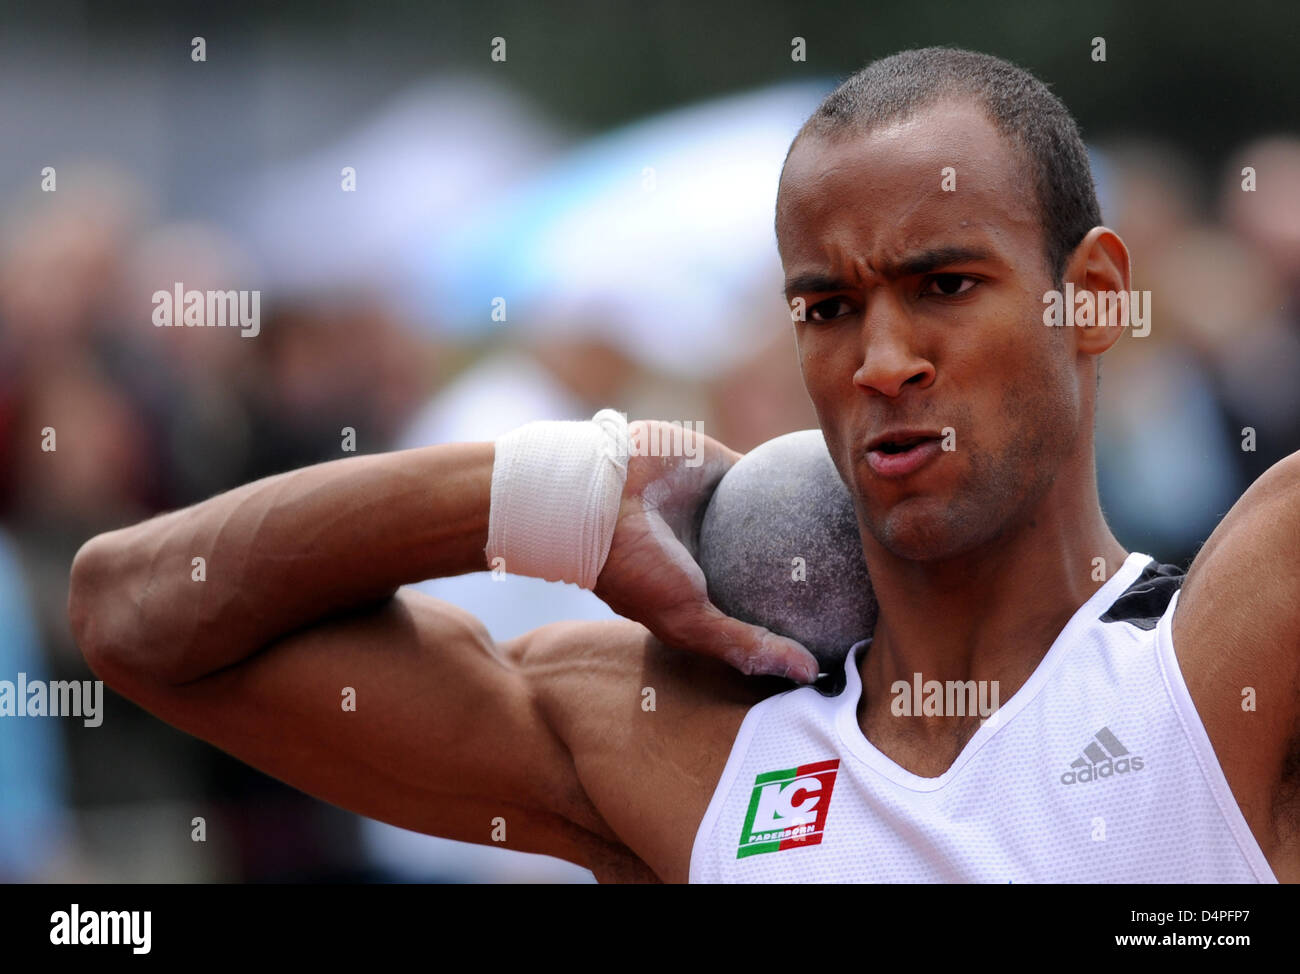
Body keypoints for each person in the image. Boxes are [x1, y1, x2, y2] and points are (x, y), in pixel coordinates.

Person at [69, 48, 1296, 882]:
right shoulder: (684, 747)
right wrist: (561, 496)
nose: (880, 358)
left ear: (1090, 298)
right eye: (824, 306)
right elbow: (132, 611)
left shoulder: (1230, 657)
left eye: (943, 285)